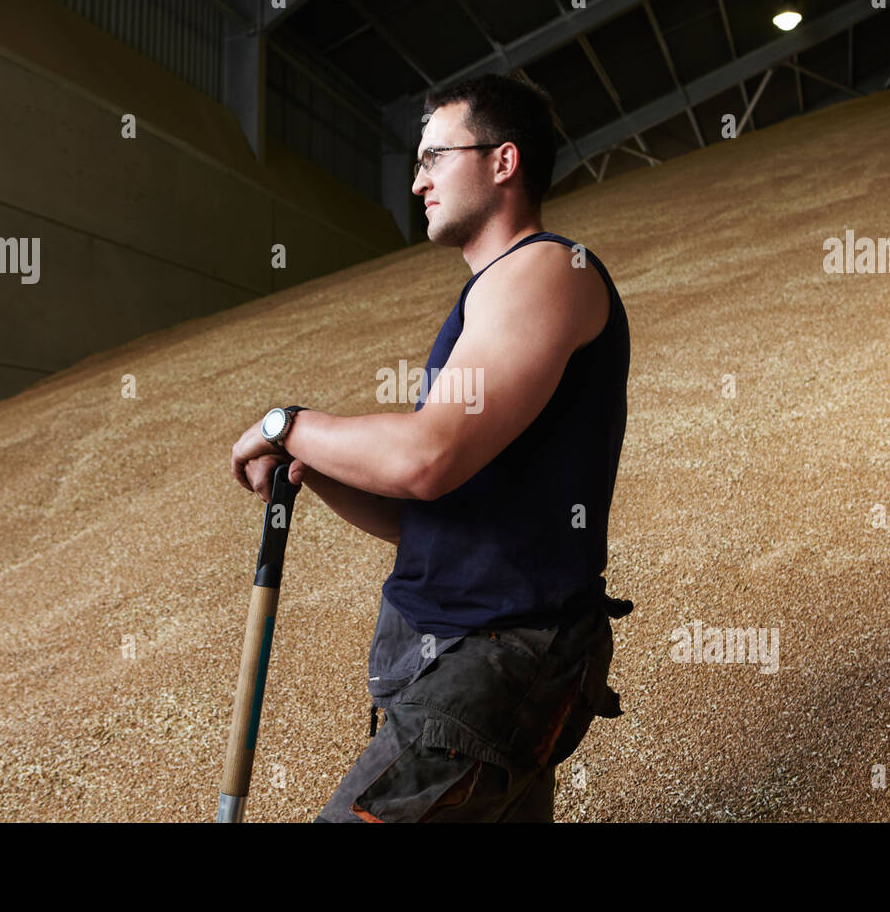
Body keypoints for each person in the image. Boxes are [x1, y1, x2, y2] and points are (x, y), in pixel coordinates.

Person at [231, 72, 631, 822]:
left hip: (494, 656)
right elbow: (427, 507)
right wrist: (314, 466)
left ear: (502, 162)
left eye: (434, 158)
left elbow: (426, 457)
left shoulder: (544, 271)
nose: (417, 183)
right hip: (452, 653)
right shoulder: (489, 300)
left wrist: (288, 423)